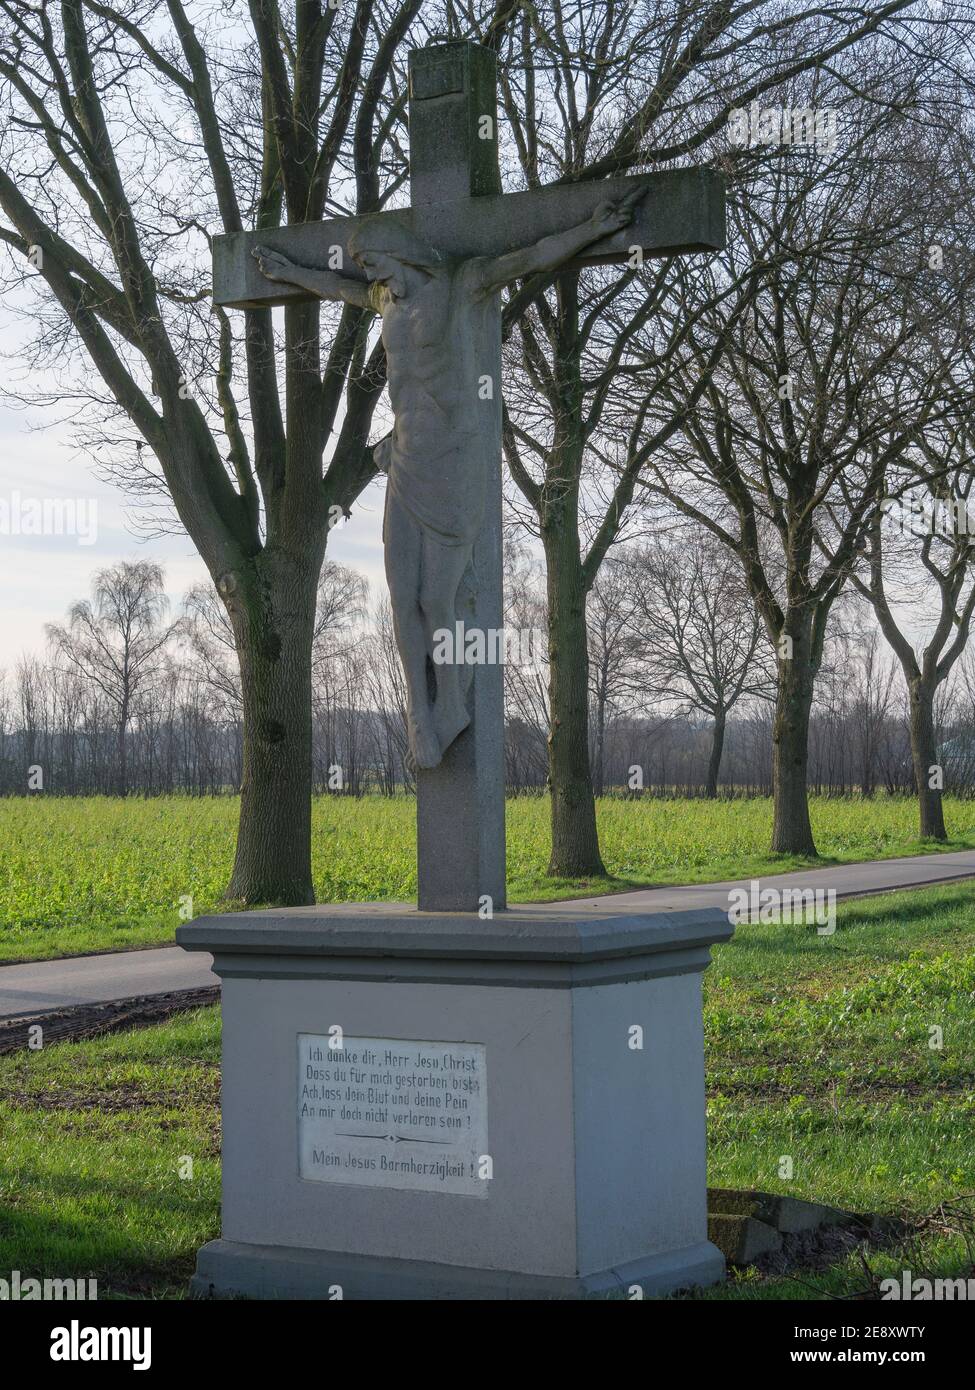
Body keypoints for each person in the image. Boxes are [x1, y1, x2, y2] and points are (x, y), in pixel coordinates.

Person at [253, 185, 646, 769]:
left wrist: (592, 228)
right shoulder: (385, 300)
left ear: (402, 252)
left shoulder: (462, 285)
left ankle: (452, 702)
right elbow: (335, 287)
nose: (372, 274)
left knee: (438, 598)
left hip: (455, 461)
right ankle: (421, 711)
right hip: (407, 456)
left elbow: (530, 257)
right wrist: (289, 271)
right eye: (367, 268)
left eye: (375, 261)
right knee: (401, 595)